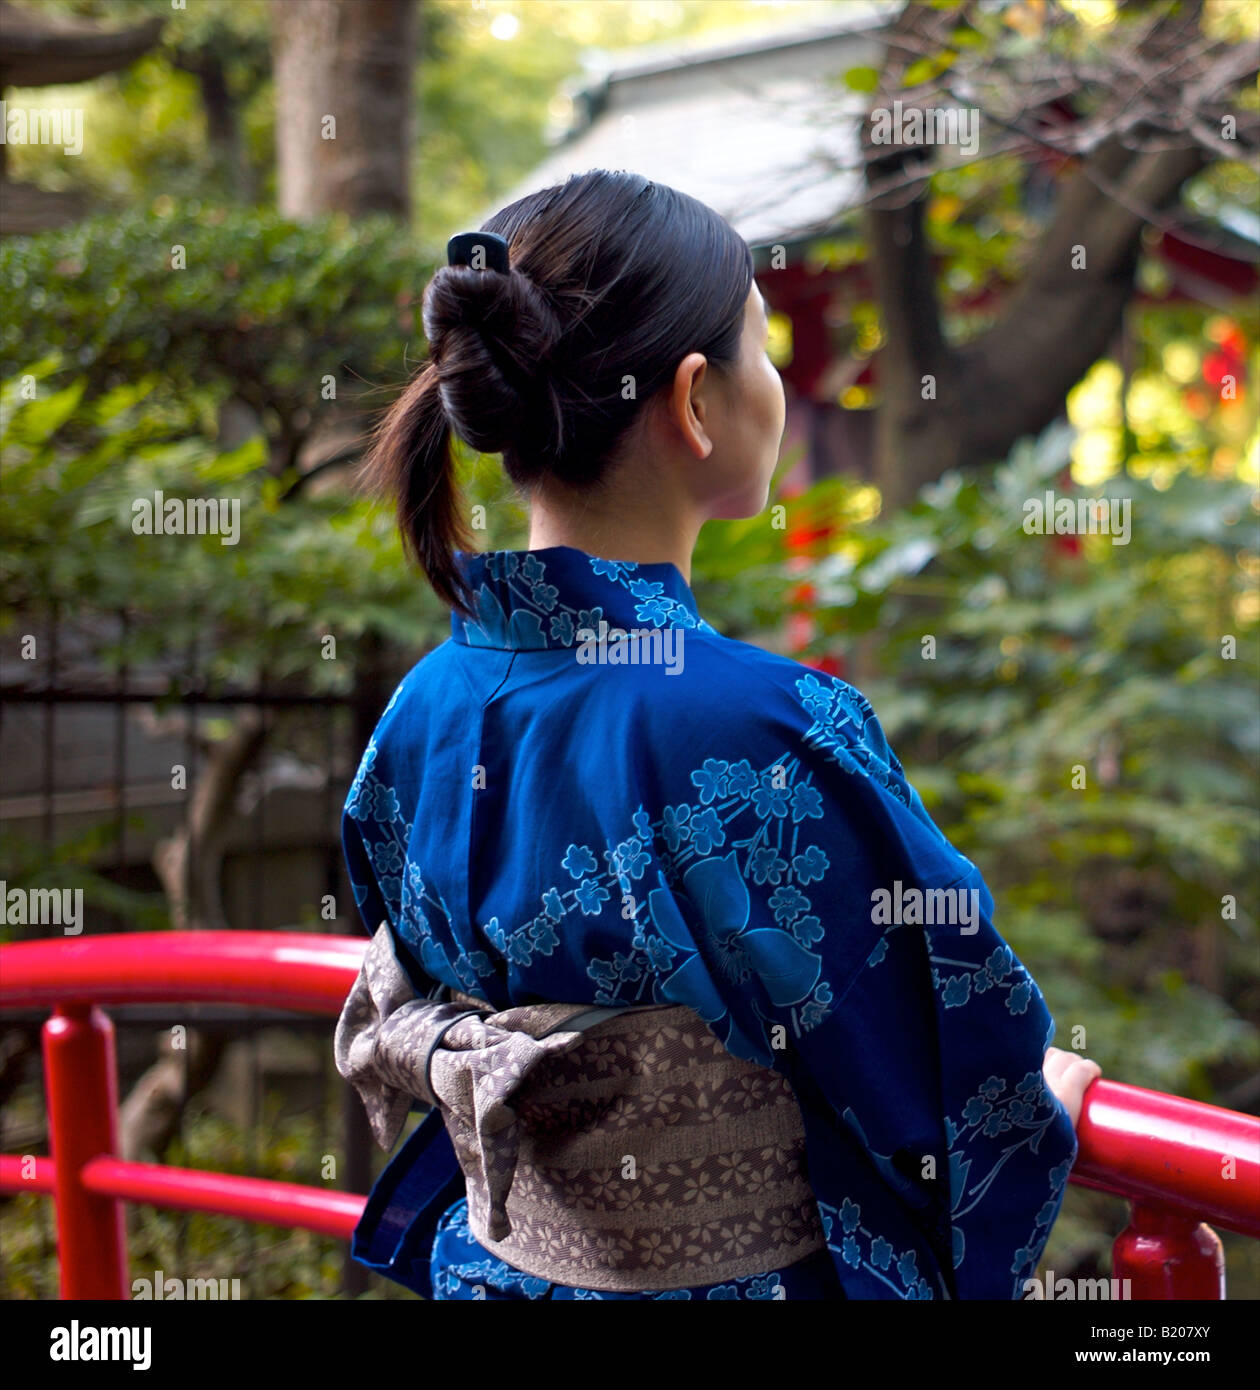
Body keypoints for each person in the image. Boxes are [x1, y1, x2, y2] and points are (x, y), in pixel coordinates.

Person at [336, 168, 1102, 1301]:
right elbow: (943, 1063)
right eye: (765, 342)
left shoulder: (423, 711)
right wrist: (1036, 1102)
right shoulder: (762, 728)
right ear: (696, 399)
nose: (782, 380)